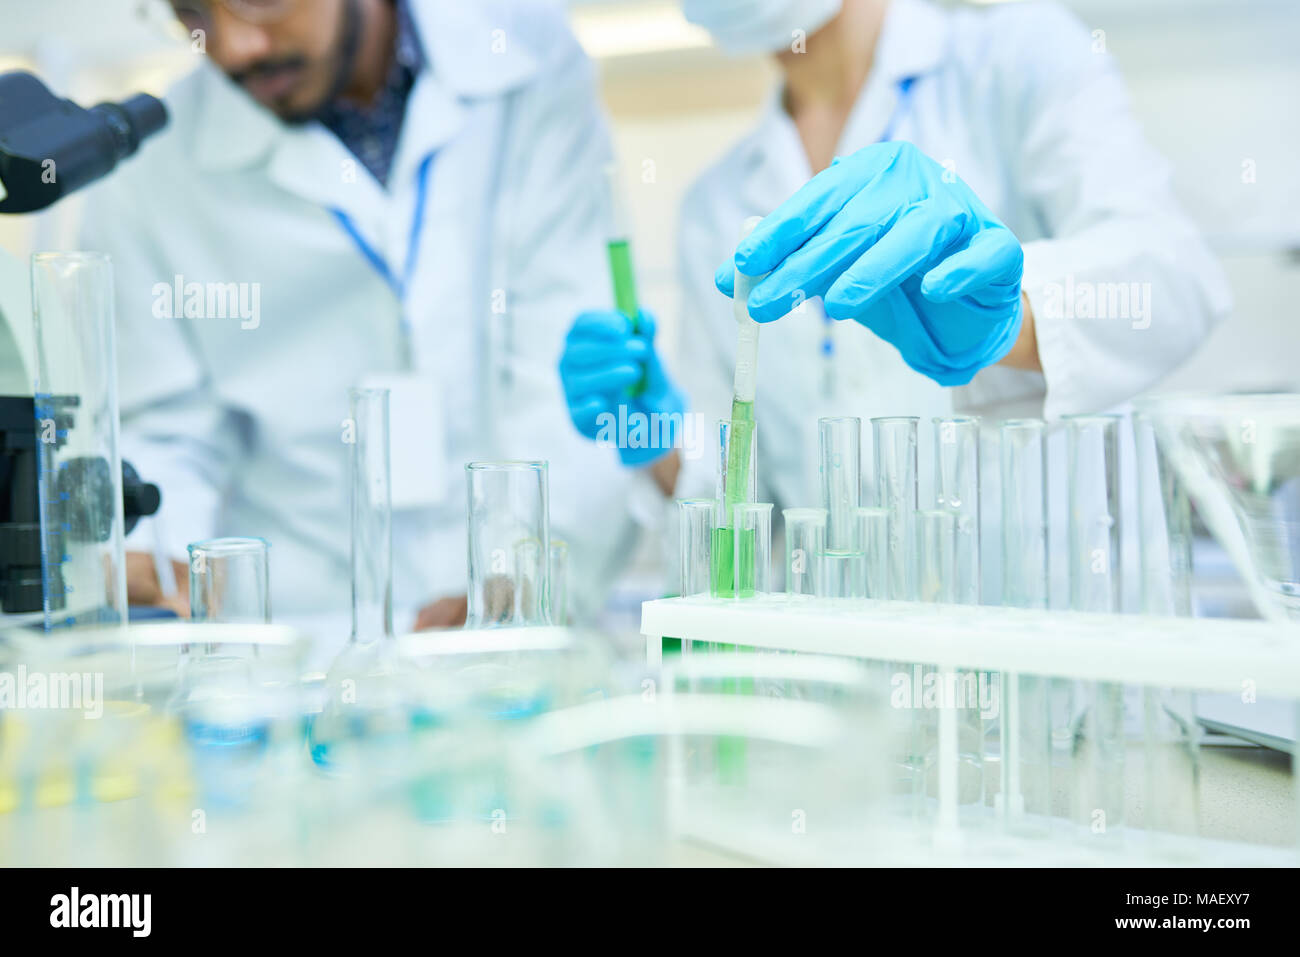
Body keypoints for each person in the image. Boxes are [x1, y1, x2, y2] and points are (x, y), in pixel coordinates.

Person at [559, 0, 1230, 587]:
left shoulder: (1017, 58)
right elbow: (739, 505)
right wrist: (659, 441)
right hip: (853, 667)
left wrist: (1011, 320)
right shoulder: (716, 205)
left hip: (1054, 648)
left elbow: (1176, 279)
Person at [84, 0, 638, 628]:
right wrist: (156, 562)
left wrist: (527, 579)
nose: (234, 47)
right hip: (300, 626)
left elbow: (570, 362)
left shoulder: (525, 56)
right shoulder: (151, 165)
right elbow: (165, 432)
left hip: (515, 614)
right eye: (191, 13)